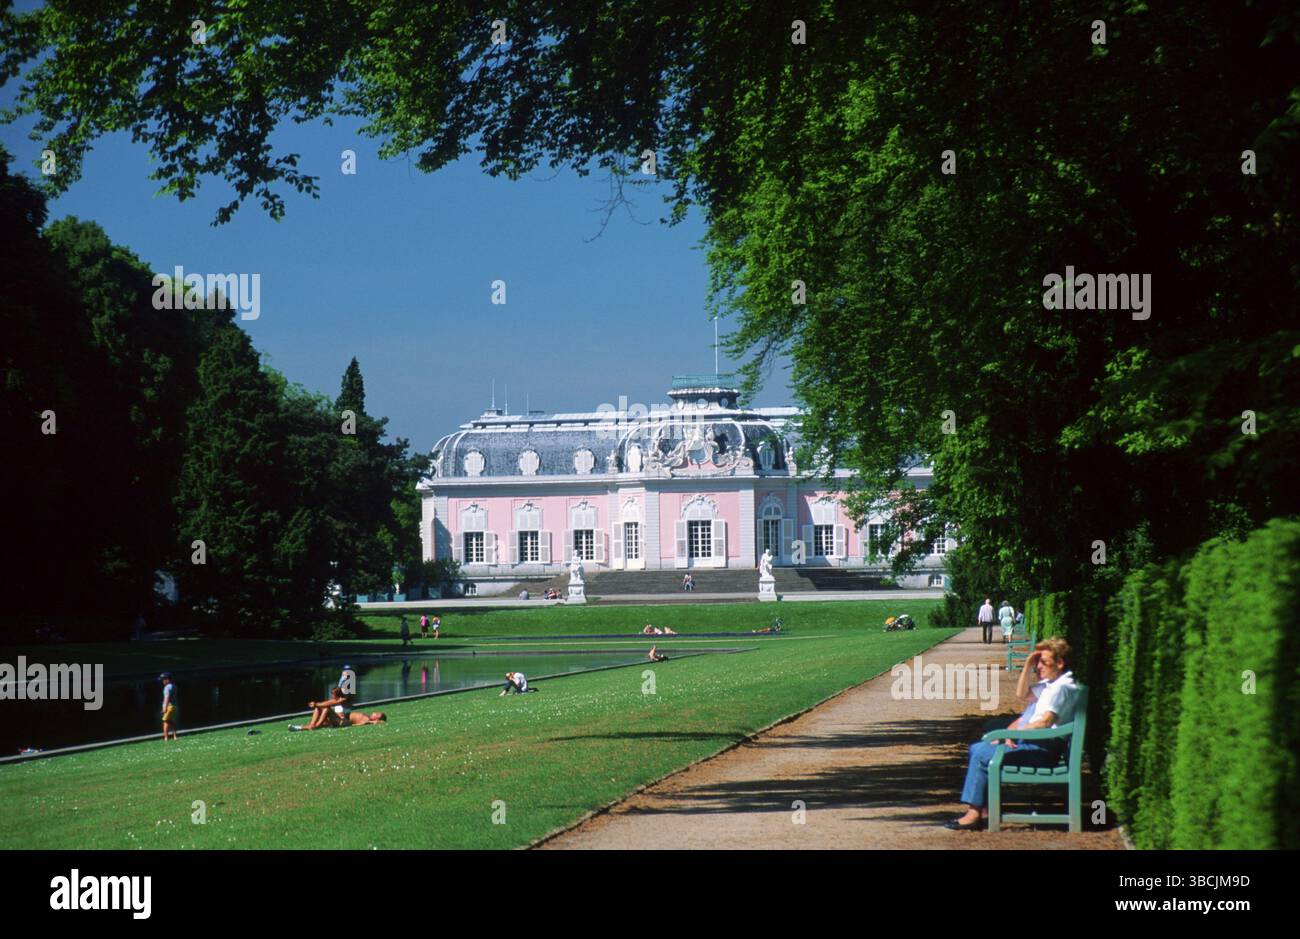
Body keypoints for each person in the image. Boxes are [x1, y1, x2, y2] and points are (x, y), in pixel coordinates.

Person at [945, 638, 1080, 830]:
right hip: (1038, 745)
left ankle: (974, 813)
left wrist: (1013, 733)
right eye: (1038, 662)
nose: (1039, 667)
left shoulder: (1061, 688)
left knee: (982, 753)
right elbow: (1022, 694)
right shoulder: (1053, 684)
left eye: (1043, 662)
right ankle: (983, 809)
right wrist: (1027, 664)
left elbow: (1045, 722)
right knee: (978, 748)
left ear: (1059, 663)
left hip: (1042, 750)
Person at [159, 673, 179, 741]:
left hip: (169, 706)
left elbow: (167, 697)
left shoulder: (167, 687)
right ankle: (175, 736)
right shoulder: (174, 686)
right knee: (171, 721)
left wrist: (165, 707)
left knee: (165, 721)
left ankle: (166, 738)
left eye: (163, 679)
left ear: (167, 679)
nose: (162, 681)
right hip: (175, 706)